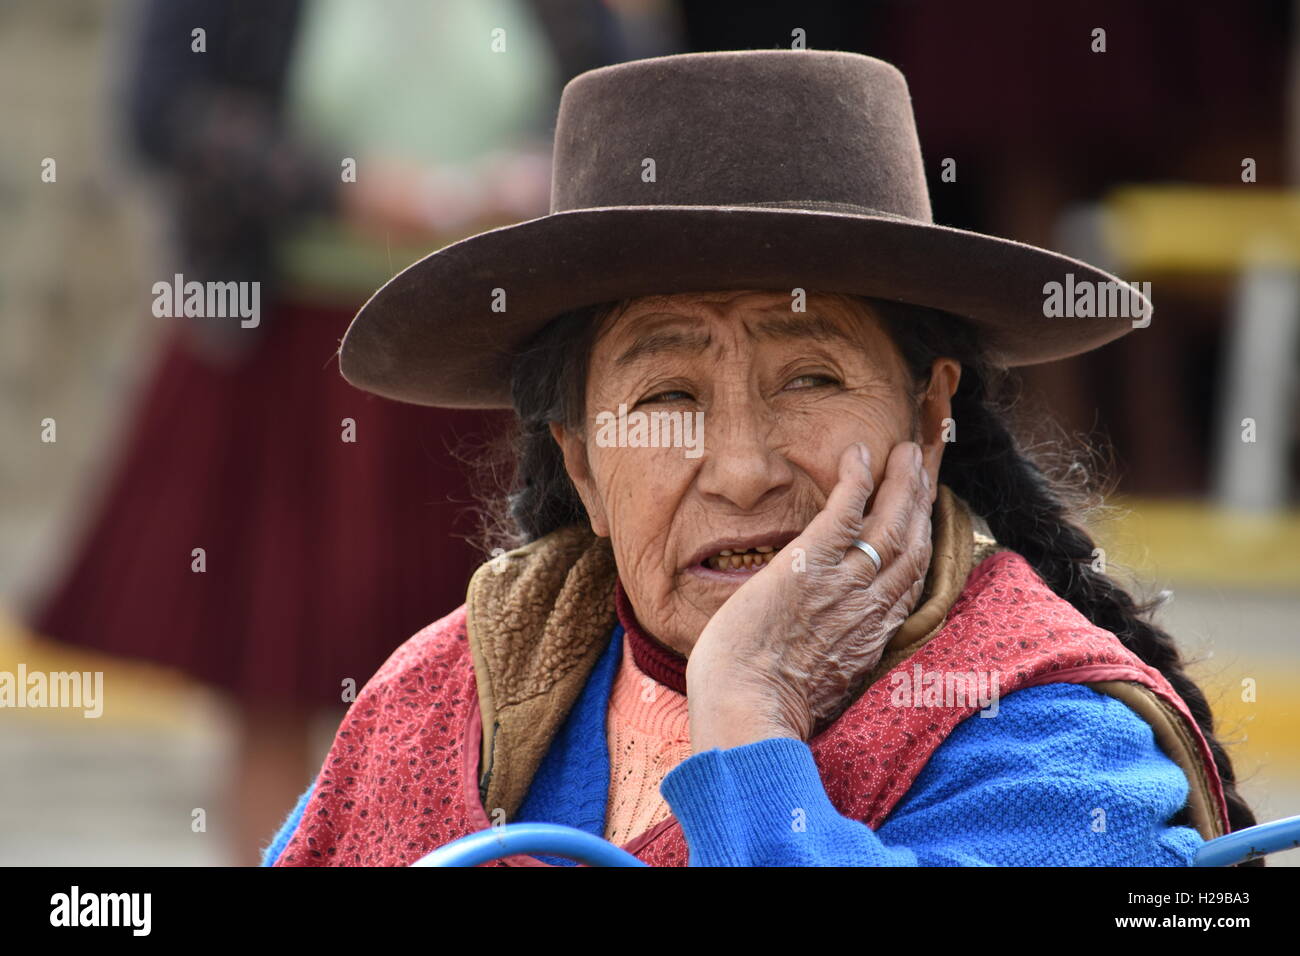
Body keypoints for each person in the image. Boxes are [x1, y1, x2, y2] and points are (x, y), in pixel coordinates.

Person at [263, 50, 1254, 867]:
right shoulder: (445, 701)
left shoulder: (1051, 744)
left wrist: (747, 715)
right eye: (665, 396)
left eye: (811, 379)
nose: (742, 468)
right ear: (581, 465)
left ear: (927, 415)